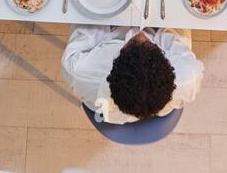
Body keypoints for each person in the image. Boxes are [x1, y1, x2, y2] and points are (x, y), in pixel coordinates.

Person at [61, 26, 203, 124]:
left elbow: (85, 29)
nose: (140, 34)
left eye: (133, 41)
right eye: (147, 42)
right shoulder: (188, 76)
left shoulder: (81, 70)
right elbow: (174, 33)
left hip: (105, 109)